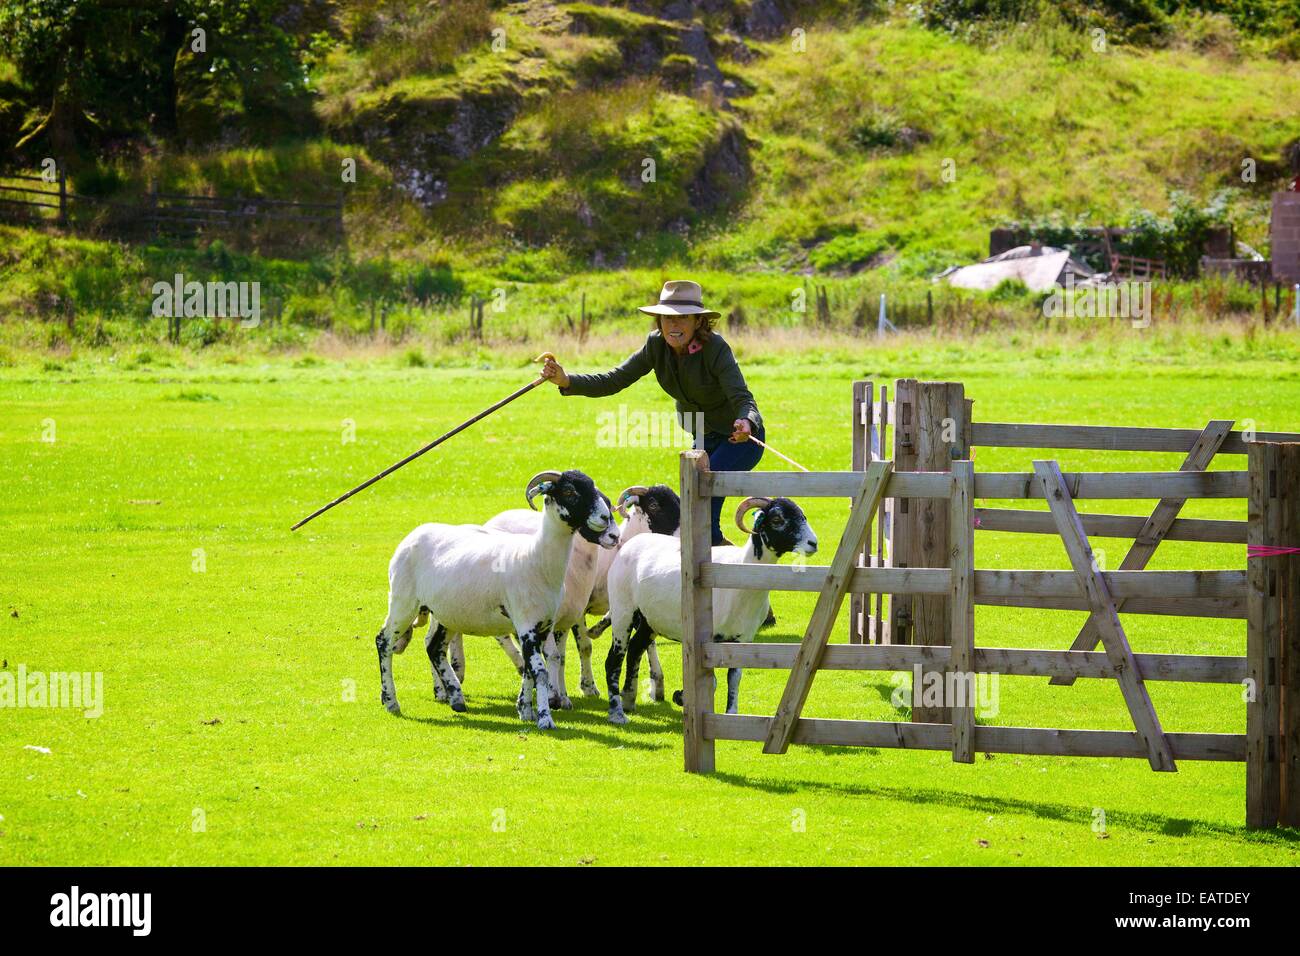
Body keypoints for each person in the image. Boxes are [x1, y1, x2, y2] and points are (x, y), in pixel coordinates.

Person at [540, 279, 764, 547]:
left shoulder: (716, 348)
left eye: (682, 319)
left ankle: (725, 575)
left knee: (700, 509)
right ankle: (720, 574)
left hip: (740, 439)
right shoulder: (655, 345)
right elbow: (614, 380)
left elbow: (743, 397)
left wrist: (746, 421)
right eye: (666, 318)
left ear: (698, 322)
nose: (673, 325)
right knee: (696, 513)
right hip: (702, 436)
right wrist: (567, 381)